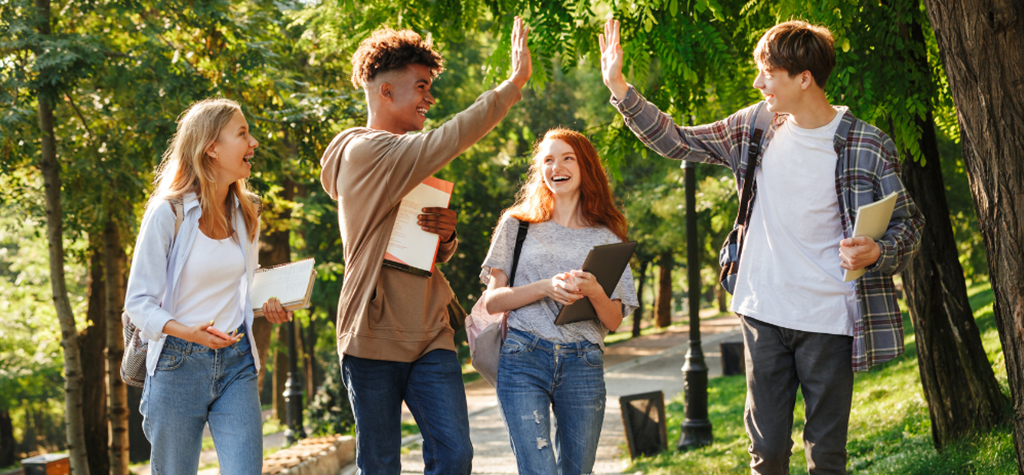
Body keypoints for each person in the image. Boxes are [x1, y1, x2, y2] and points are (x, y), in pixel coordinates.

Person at [599, 19, 924, 474]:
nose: (758, 83)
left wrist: (877, 252)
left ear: (803, 78)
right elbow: (680, 142)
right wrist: (621, 89)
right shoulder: (756, 126)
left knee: (826, 454)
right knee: (768, 453)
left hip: (829, 319)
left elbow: (908, 226)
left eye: (767, 74)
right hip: (763, 311)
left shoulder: (866, 144)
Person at [317, 18, 532, 475]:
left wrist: (445, 235)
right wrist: (511, 86)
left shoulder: (404, 158)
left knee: (454, 454)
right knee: (379, 464)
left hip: (429, 329)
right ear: (385, 92)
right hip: (373, 334)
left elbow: (417, 247)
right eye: (420, 86)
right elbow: (449, 138)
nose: (429, 98)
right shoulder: (365, 152)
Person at [123, 98, 291, 474]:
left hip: (236, 361)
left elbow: (242, 288)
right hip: (176, 362)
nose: (254, 143)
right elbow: (139, 301)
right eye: (242, 134)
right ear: (211, 148)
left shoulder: (246, 211)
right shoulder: (168, 212)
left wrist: (270, 305)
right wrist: (187, 332)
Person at [480, 128, 639, 475]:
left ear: (585, 168)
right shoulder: (517, 225)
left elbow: (613, 322)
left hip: (583, 362)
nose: (557, 166)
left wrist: (595, 290)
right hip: (523, 357)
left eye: (568, 158)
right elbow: (492, 302)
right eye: (548, 160)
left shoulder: (607, 236)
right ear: (541, 170)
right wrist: (545, 287)